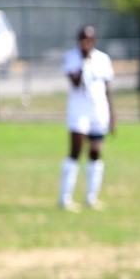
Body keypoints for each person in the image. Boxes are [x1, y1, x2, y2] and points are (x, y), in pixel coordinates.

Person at [58, 24, 114, 212]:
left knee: (96, 152)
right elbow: (75, 84)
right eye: (83, 39)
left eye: (90, 40)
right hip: (78, 111)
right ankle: (65, 198)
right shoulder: (72, 57)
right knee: (75, 151)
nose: (86, 43)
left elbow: (108, 89)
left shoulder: (103, 59)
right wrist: (84, 62)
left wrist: (113, 116)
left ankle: (91, 197)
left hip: (98, 111)